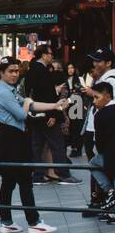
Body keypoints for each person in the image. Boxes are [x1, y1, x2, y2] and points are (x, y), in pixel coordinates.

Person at [0, 57, 69, 233]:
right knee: (24, 180)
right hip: (11, 138)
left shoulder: (9, 89)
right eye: (10, 71)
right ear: (2, 73)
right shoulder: (4, 92)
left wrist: (54, 106)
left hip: (12, 138)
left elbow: (31, 104)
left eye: (16, 71)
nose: (14, 74)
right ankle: (33, 222)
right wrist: (27, 104)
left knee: (9, 182)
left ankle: (6, 222)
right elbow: (22, 113)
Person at [26, 45, 75, 183]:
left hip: (34, 113)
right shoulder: (42, 71)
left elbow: (30, 92)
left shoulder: (31, 70)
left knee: (37, 145)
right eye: (50, 53)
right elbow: (47, 95)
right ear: (43, 55)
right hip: (47, 114)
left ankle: (38, 175)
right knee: (57, 144)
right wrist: (53, 114)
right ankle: (63, 174)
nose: (51, 56)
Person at [80, 49, 115, 215]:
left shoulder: (111, 79)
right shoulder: (101, 78)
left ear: (108, 63)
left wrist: (91, 92)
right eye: (94, 61)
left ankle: (105, 200)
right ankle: (104, 200)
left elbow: (109, 103)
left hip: (102, 130)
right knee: (98, 163)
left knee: (100, 163)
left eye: (99, 61)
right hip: (96, 127)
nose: (95, 64)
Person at [62, 63, 86, 158]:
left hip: (77, 103)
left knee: (77, 126)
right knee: (70, 126)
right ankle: (73, 146)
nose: (70, 70)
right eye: (68, 68)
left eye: (72, 67)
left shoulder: (79, 79)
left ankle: (76, 148)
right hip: (67, 104)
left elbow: (84, 90)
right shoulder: (64, 79)